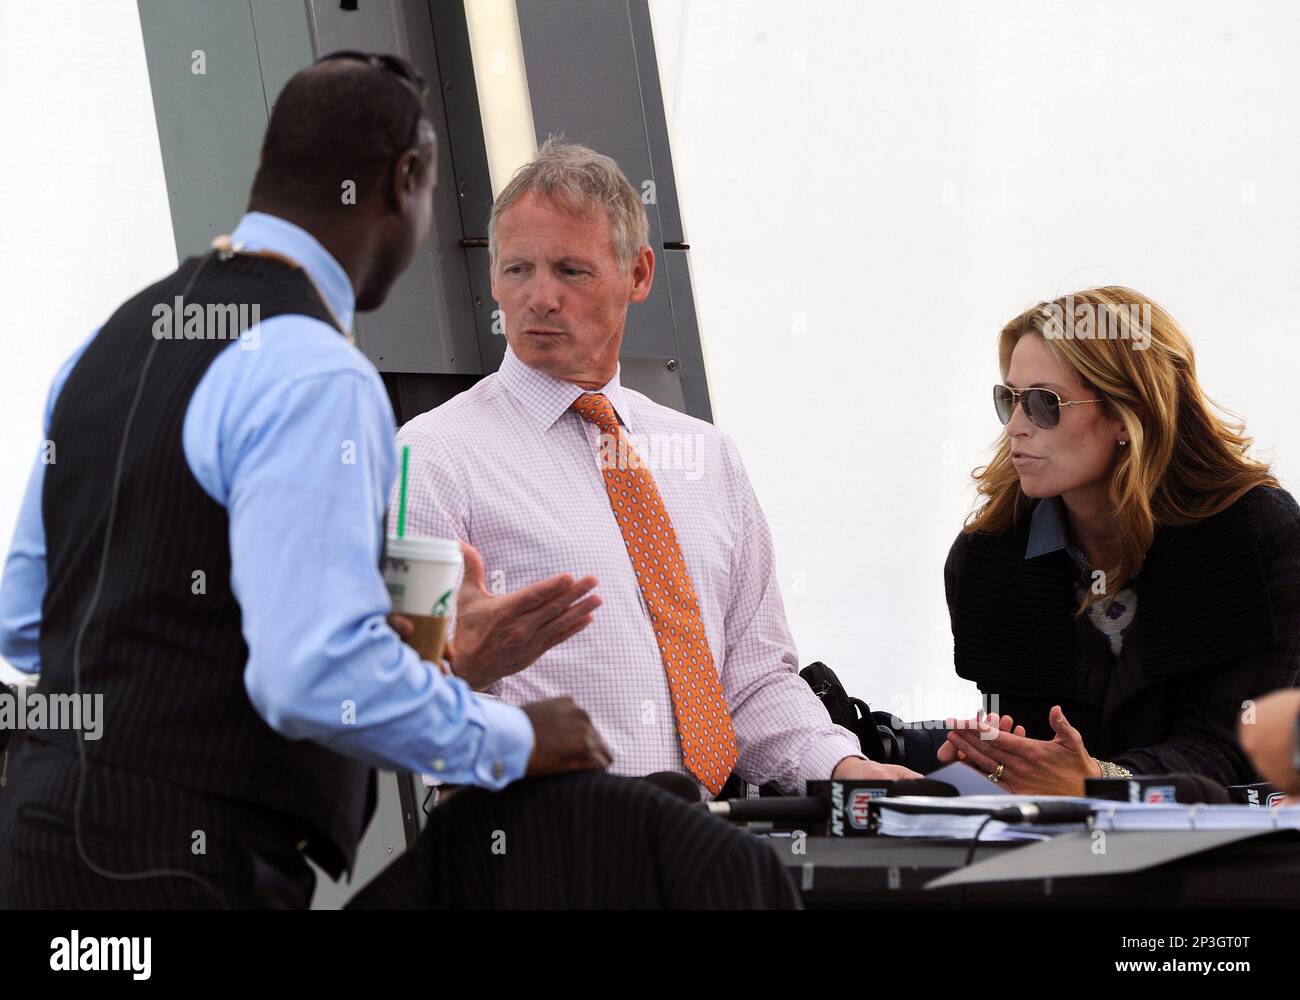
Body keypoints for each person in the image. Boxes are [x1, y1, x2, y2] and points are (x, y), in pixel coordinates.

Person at [0, 53, 610, 909]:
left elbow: (30, 623)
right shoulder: (315, 370)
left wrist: (395, 647)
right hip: (178, 868)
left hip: (36, 849)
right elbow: (309, 677)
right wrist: (514, 735)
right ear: (404, 179)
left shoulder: (107, 346)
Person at [392, 138, 919, 798]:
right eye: (517, 269)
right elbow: (395, 698)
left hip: (705, 852)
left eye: (570, 271)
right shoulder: (432, 454)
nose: (539, 298)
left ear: (639, 275)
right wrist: (461, 669)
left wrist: (846, 771)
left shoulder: (707, 457)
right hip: (536, 857)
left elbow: (755, 681)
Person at [940, 287, 1300, 794]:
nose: (1016, 428)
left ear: (1127, 413)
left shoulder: (1257, 536)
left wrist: (1102, 781)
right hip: (1060, 848)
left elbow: (1238, 746)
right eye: (1010, 400)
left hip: (1233, 855)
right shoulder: (988, 558)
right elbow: (1039, 749)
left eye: (1045, 403)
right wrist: (997, 758)